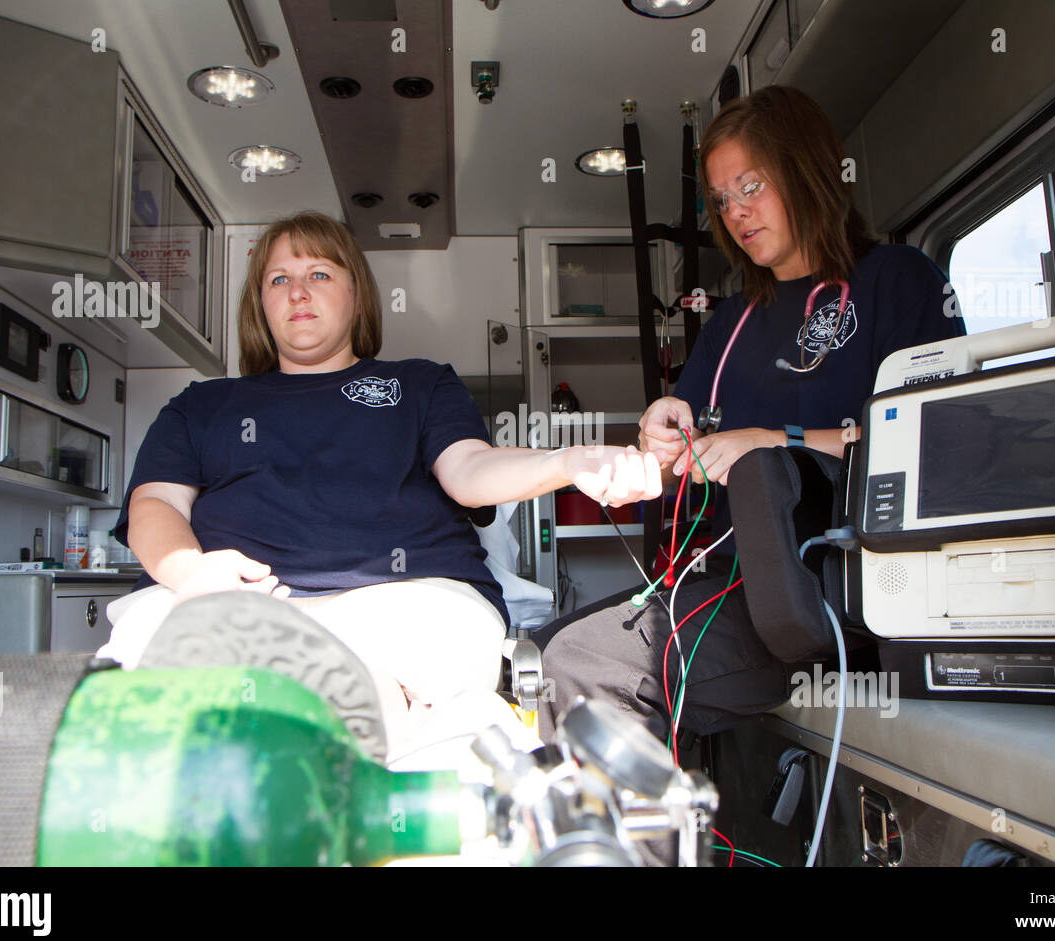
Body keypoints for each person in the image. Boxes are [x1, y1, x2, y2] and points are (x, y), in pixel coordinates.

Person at [101, 211, 661, 760]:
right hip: (236, 605)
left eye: (319, 274)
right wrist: (191, 574)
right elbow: (155, 502)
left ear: (357, 295)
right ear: (260, 304)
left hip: (404, 608)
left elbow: (469, 471)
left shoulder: (418, 385)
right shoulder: (202, 405)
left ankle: (350, 716)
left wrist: (568, 460)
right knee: (142, 665)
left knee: (329, 702)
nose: (298, 291)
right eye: (279, 279)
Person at [535, 86, 965, 746]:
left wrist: (773, 441)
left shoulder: (898, 281)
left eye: (752, 186)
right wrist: (665, 445)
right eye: (721, 199)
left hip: (832, 596)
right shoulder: (732, 321)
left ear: (808, 170)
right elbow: (683, 472)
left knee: (581, 666)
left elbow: (939, 441)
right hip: (718, 584)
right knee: (536, 654)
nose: (736, 212)